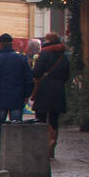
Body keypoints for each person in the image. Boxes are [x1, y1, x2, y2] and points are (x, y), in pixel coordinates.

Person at [0, 32, 33, 155]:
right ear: (11, 43)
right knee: (16, 126)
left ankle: (1, 150)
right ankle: (16, 151)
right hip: (17, 98)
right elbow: (29, 79)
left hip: (1, 98)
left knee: (0, 126)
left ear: (0, 44)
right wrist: (26, 95)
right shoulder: (21, 59)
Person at [31, 31, 70, 160]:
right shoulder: (63, 56)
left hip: (43, 89)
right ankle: (51, 146)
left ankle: (42, 148)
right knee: (54, 119)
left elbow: (36, 72)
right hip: (58, 90)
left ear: (48, 41)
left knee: (40, 118)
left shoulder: (44, 54)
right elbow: (66, 75)